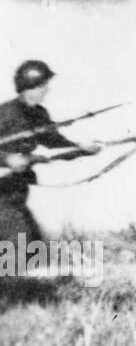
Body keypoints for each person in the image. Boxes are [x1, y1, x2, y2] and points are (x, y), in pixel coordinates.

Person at [0, 61, 101, 243]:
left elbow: (54, 142)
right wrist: (8, 159)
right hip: (2, 193)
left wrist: (81, 149)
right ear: (29, 86)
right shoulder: (5, 113)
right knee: (20, 244)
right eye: (42, 85)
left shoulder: (39, 114)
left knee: (32, 244)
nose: (46, 90)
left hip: (15, 189)